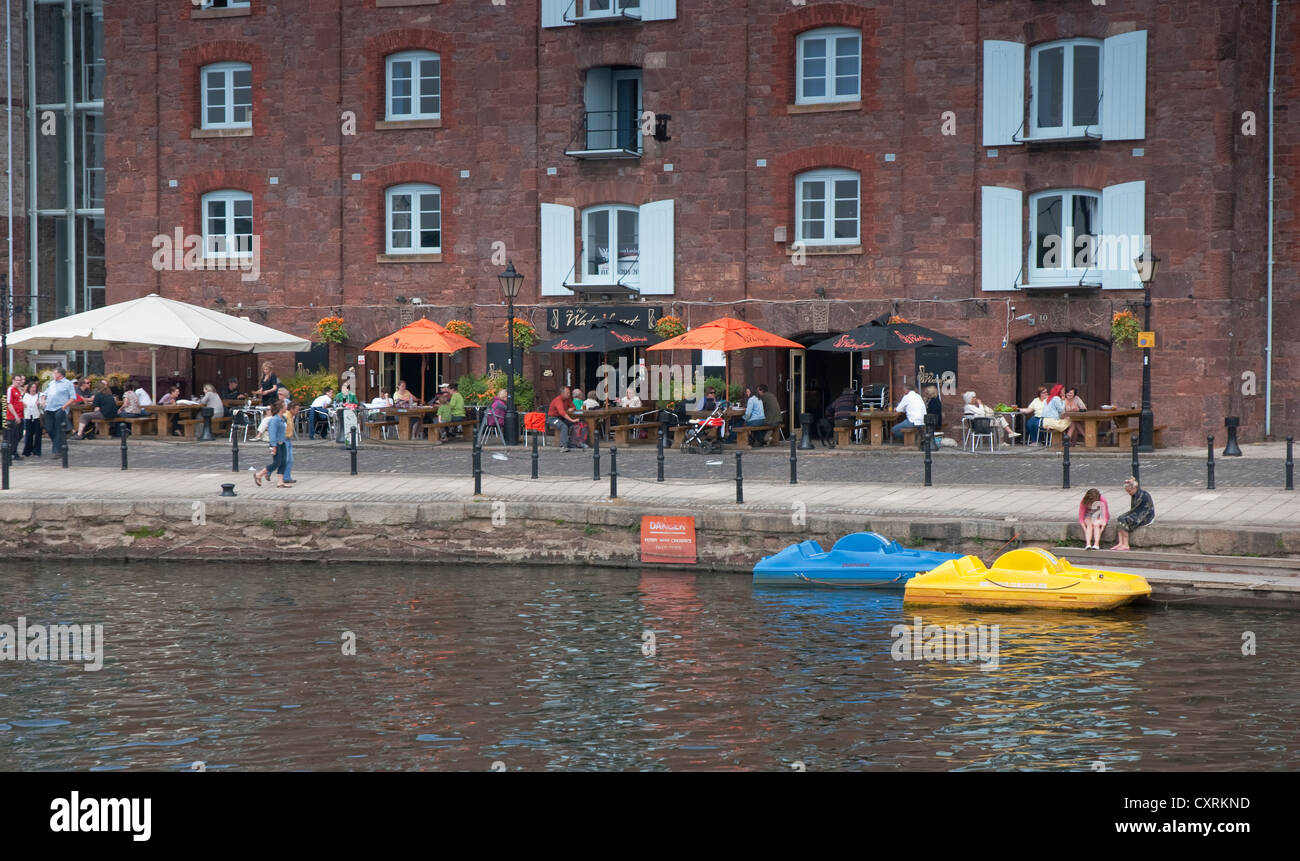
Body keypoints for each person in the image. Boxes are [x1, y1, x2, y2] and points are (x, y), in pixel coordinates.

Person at [252, 402, 290, 488]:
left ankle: (280, 482)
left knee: (283, 462)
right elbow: (272, 434)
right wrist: (273, 446)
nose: (286, 407)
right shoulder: (274, 420)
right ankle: (259, 474)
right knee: (277, 462)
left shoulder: (282, 418)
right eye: (284, 406)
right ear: (281, 408)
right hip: (275, 443)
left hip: (282, 442)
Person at [1112, 477, 1154, 551]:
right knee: (1120, 518)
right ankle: (1120, 543)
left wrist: (1126, 516)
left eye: (1129, 491)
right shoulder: (1135, 495)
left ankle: (1126, 544)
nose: (1129, 493)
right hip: (1138, 512)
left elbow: (1140, 510)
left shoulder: (1142, 495)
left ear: (1134, 488)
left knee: (1124, 520)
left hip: (1145, 515)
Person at [42, 367, 76, 454]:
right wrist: (43, 400)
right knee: (49, 429)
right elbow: (44, 393)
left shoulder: (68, 384)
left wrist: (64, 407)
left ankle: (56, 451)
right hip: (49, 408)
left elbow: (73, 397)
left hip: (60, 408)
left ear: (60, 374)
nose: (53, 374)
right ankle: (62, 444)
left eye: (55, 373)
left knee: (58, 429)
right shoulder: (51, 383)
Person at [547, 385, 586, 451]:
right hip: (553, 418)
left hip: (561, 418)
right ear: (562, 393)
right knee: (563, 426)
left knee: (575, 424)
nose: (569, 394)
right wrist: (572, 420)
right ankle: (563, 446)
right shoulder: (558, 400)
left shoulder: (567, 399)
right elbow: (562, 412)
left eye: (569, 393)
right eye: (567, 393)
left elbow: (573, 406)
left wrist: (572, 408)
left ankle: (573, 442)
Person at [6, 374, 25, 461]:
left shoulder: (19, 390)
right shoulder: (11, 389)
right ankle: (12, 453)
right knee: (14, 435)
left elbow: (19, 401)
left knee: (19, 435)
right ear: (13, 380)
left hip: (21, 416)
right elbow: (9, 403)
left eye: (19, 380)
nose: (18, 382)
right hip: (13, 417)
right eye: (17, 380)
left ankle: (13, 451)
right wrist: (16, 416)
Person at [21, 381, 43, 457]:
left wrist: (39, 404)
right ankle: (27, 451)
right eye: (32, 387)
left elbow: (43, 406)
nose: (33, 389)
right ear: (29, 388)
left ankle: (37, 451)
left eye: (34, 387)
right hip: (28, 417)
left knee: (37, 435)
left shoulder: (39, 395)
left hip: (37, 417)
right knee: (29, 434)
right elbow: (22, 404)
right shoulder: (25, 395)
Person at [282, 402, 298, 485]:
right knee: (285, 459)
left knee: (290, 460)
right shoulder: (286, 415)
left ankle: (287, 477)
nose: (297, 411)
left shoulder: (291, 416)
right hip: (283, 439)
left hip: (288, 439)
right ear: (291, 409)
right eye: (296, 409)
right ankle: (267, 471)